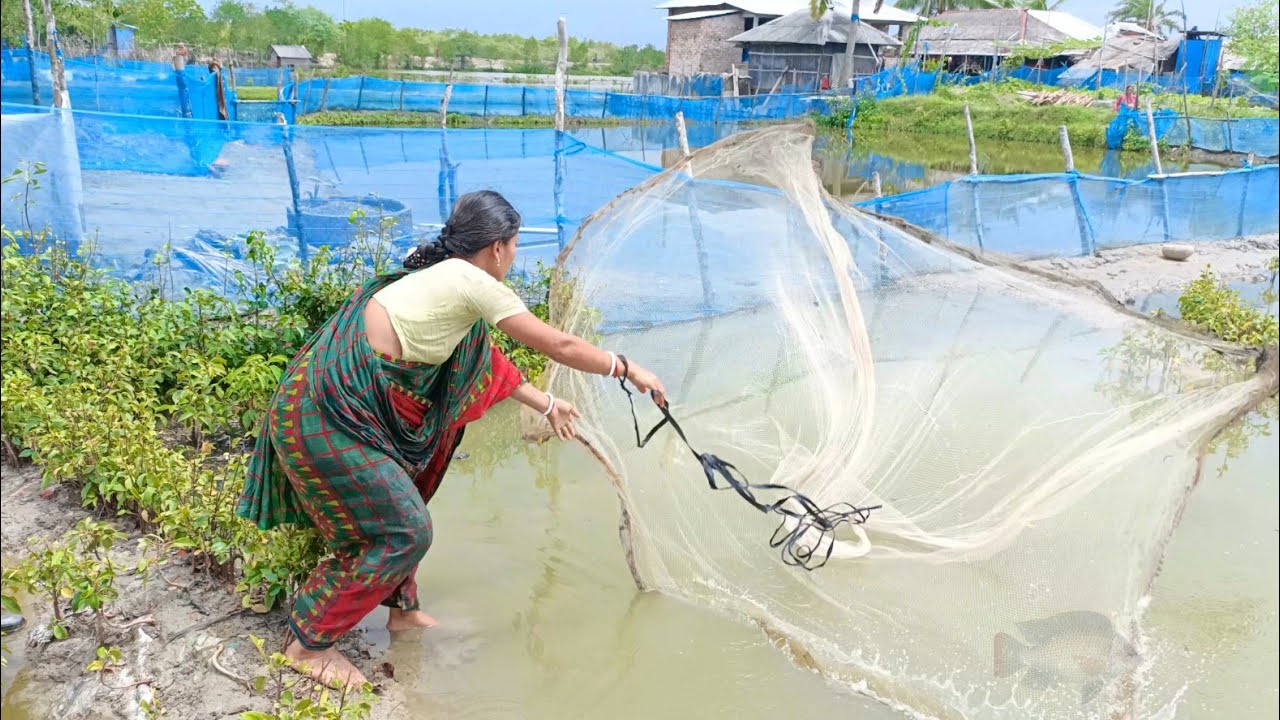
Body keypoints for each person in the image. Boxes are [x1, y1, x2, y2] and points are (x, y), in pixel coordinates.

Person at [237, 190, 666, 688]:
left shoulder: (441, 276)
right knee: (404, 529)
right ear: (498, 248)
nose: (513, 256)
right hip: (325, 414)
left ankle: (402, 614)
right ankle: (308, 646)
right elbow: (561, 345)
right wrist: (627, 368)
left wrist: (548, 403)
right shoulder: (471, 281)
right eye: (514, 246)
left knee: (402, 502)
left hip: (328, 403)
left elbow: (480, 360)